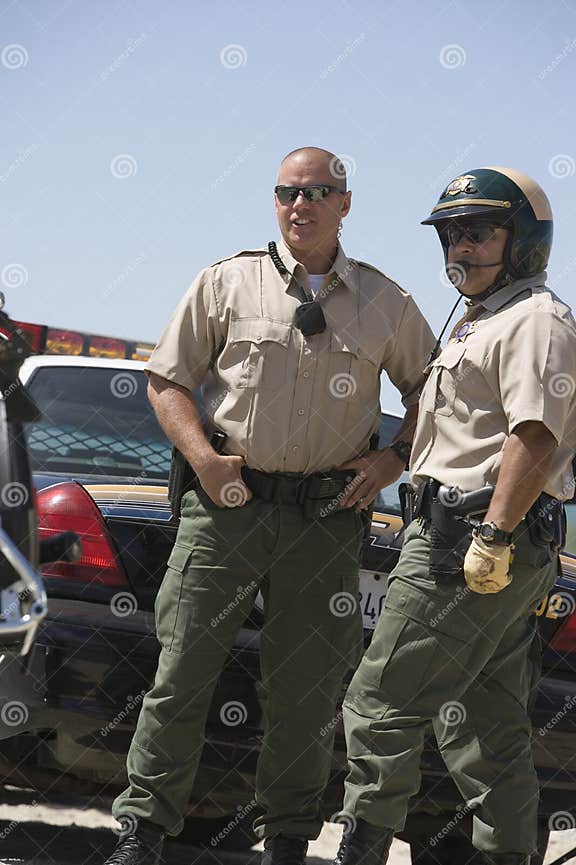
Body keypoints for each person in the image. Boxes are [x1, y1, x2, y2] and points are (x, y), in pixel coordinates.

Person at [103, 146, 435, 865]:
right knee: (183, 670)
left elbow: (432, 393)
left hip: (325, 519)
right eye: (287, 192)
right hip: (228, 508)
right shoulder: (227, 282)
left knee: (307, 692)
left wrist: (392, 456)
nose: (300, 205)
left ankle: (286, 840)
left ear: (345, 203)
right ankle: (141, 833)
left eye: (317, 191)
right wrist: (203, 459)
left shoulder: (386, 302)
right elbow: (166, 380)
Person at [335, 166, 576, 865]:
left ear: (524, 240)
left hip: (468, 541)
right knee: (487, 728)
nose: (459, 248)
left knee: (380, 705)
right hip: (480, 540)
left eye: (478, 232)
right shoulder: (488, 319)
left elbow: (535, 436)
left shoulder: (534, 320)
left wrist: (494, 534)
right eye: (450, 234)